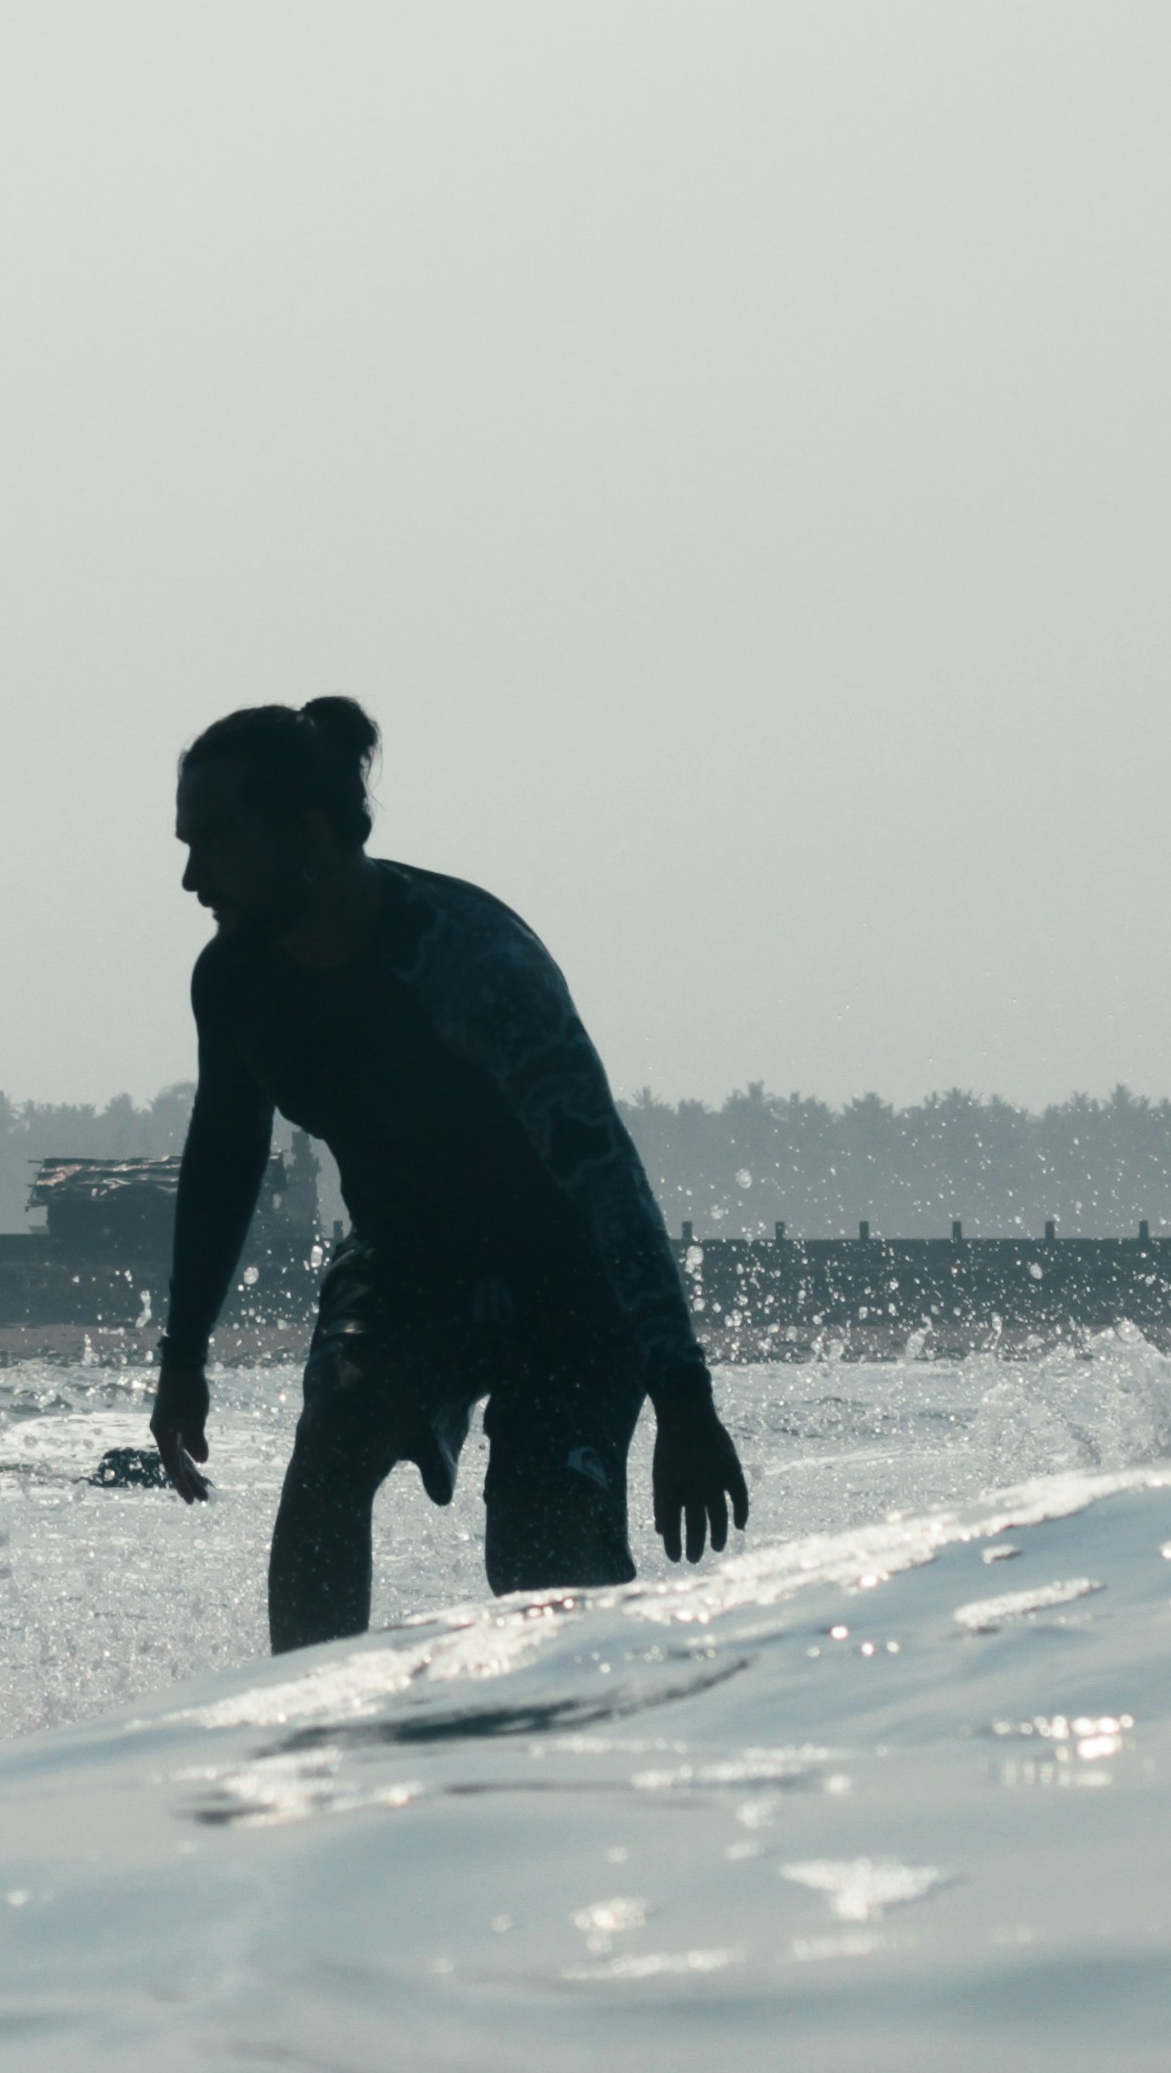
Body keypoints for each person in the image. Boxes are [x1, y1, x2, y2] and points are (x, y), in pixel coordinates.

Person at [148, 696, 750, 1649]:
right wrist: (183, 1357)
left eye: (213, 842)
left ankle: (572, 1754)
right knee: (330, 1454)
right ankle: (312, 1736)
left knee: (538, 1561)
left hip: (573, 1287)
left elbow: (608, 1181)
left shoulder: (474, 967)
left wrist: (686, 1404)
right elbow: (224, 1156)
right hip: (407, 1268)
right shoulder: (236, 982)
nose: (189, 877)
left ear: (304, 834)